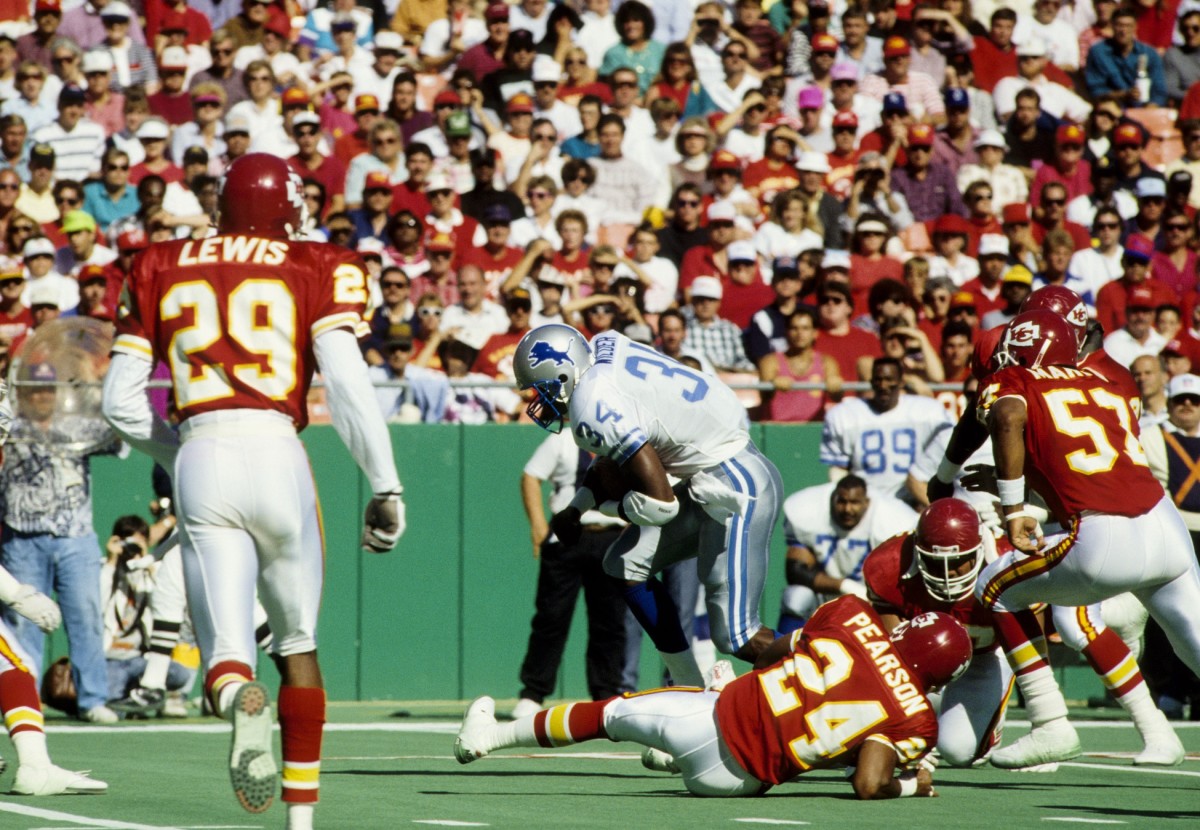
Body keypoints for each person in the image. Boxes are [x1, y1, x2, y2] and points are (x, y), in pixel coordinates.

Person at [100, 154, 406, 827]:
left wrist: (180, 447)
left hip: (203, 450)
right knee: (297, 643)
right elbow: (350, 388)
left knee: (227, 660)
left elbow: (120, 404)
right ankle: (302, 822)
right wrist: (385, 483)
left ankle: (238, 691)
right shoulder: (318, 263)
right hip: (278, 450)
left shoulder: (154, 263)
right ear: (284, 209)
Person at [455, 595, 972, 801]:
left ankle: (490, 736)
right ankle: (673, 745)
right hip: (737, 784)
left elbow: (773, 652)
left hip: (709, 722)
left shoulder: (854, 616)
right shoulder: (918, 720)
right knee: (714, 713)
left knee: (610, 712)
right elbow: (866, 781)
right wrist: (910, 787)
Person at [974, 308, 1200, 767]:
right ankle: (1153, 724)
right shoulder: (1104, 381)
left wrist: (1014, 507)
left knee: (994, 588)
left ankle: (1049, 721)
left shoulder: (1019, 381)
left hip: (1105, 535)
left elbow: (1009, 416)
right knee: (1194, 644)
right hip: (1162, 523)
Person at [512, 323, 782, 688]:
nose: (539, 401)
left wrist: (606, 509)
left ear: (563, 370)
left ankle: (833, 663)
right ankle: (687, 688)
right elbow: (616, 451)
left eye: (542, 388)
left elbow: (661, 505)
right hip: (713, 472)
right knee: (625, 564)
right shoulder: (604, 347)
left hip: (735, 484)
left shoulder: (589, 405)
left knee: (737, 636)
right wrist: (577, 507)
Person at [1, 360, 121, 725]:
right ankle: (24, 700)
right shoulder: (12, 424)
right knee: (22, 623)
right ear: (23, 391)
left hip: (75, 537)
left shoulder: (76, 424)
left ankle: (92, 698)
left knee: (86, 618)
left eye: (47, 388)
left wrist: (97, 388)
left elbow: (116, 438)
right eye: (34, 388)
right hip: (22, 535)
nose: (41, 395)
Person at [510, 429, 628, 719]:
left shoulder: (622, 441)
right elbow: (530, 476)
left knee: (610, 621)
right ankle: (533, 693)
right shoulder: (561, 439)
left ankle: (606, 695)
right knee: (551, 616)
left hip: (610, 537)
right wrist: (538, 526)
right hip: (567, 537)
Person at [777, 475, 916, 633]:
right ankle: (786, 655)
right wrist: (846, 586)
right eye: (842, 501)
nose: (847, 509)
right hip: (824, 598)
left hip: (871, 603)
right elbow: (797, 571)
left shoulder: (892, 521)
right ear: (833, 498)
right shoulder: (810, 511)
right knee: (796, 596)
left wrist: (871, 597)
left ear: (867, 502)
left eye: (854, 502)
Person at [821, 358, 952, 503]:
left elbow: (946, 457)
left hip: (915, 501)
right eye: (878, 379)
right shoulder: (845, 415)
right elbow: (839, 470)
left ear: (901, 382)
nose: (883, 385)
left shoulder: (929, 412)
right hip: (868, 504)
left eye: (889, 379)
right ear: (871, 382)